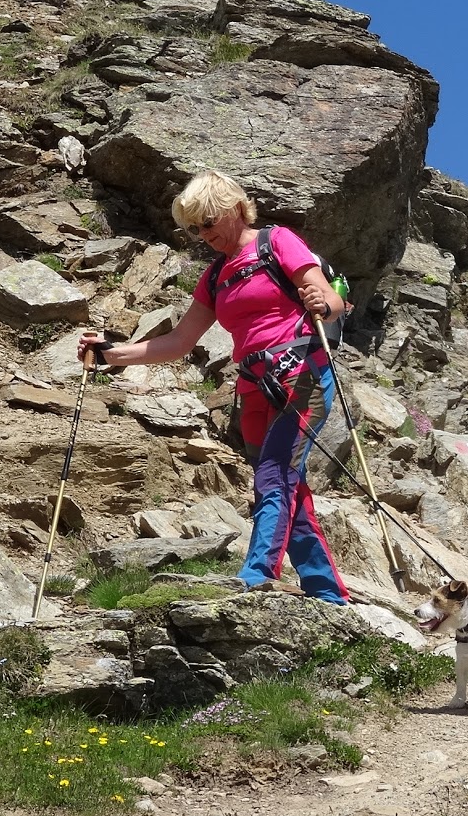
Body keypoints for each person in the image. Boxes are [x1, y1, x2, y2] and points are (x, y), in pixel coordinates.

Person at [78, 170, 350, 604]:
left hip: (301, 373)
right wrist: (111, 353)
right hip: (254, 385)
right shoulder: (216, 275)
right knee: (284, 483)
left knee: (274, 475)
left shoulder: (276, 241)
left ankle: (257, 574)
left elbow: (328, 297)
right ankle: (327, 592)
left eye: (207, 222)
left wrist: (327, 304)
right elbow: (178, 342)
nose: (202, 234)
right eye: (194, 227)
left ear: (236, 209)